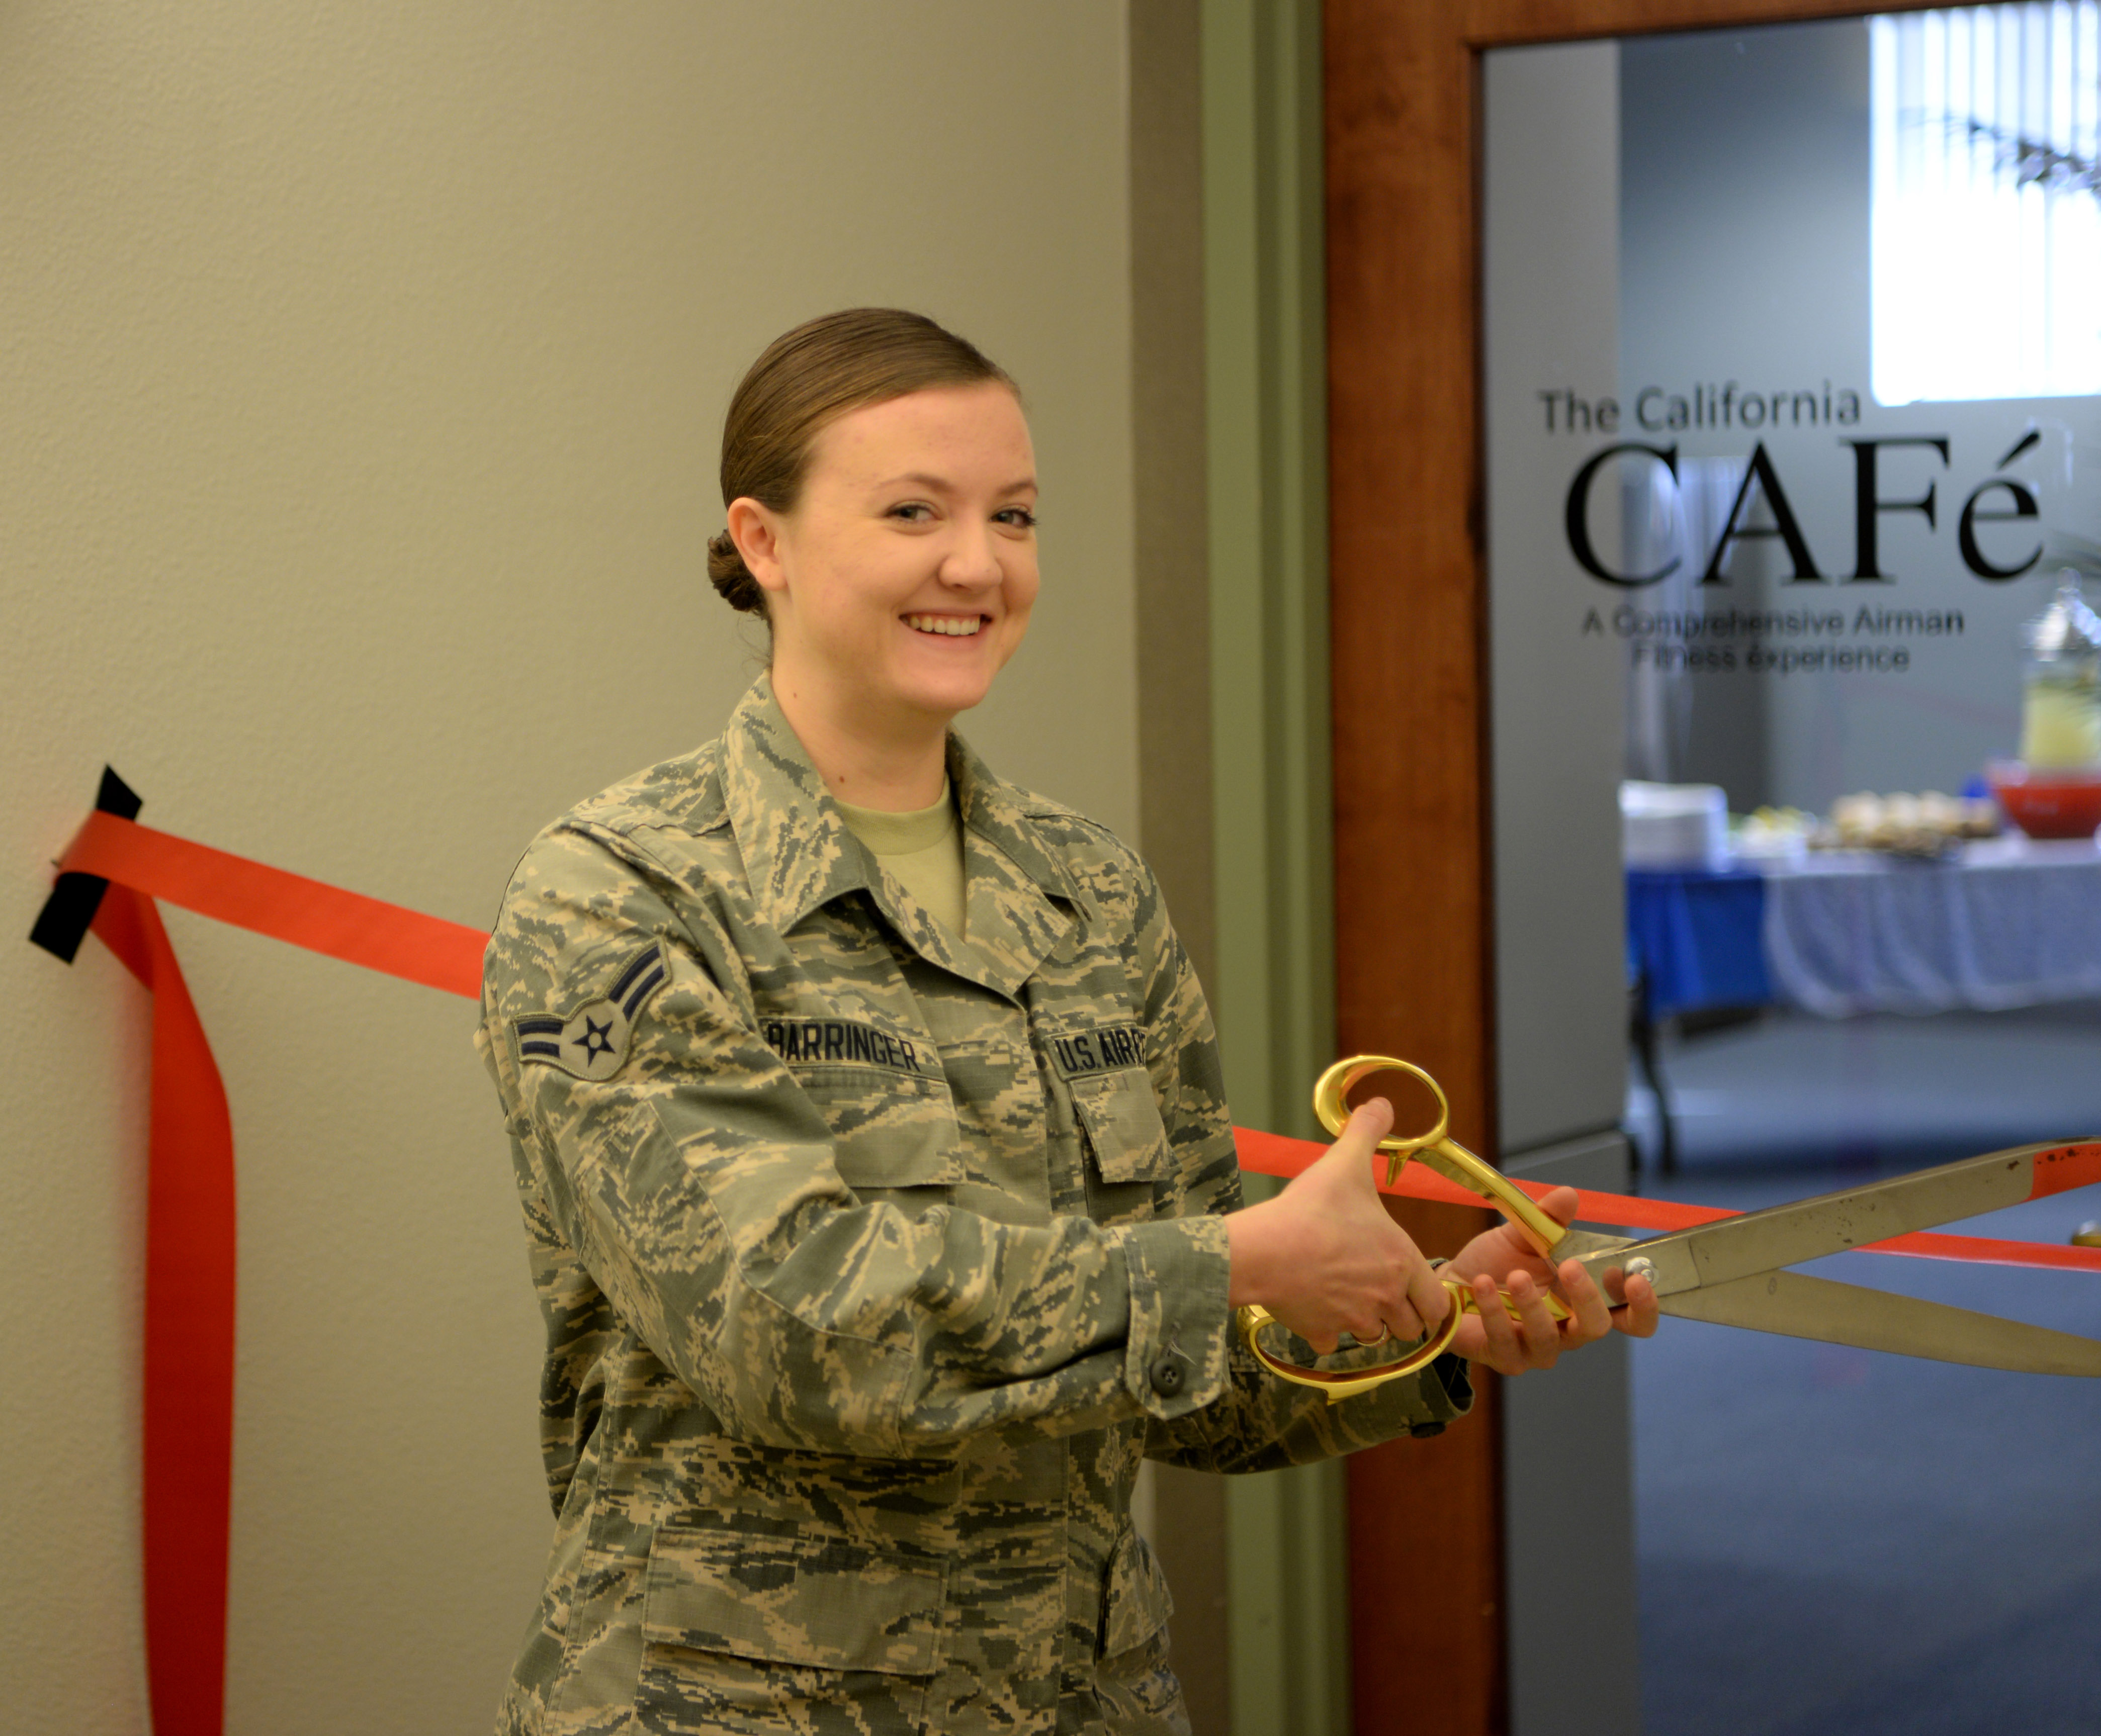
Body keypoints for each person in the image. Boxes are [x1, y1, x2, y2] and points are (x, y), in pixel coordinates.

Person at [477, 307, 1657, 1735]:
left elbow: (1193, 1378)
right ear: (763, 541)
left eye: (1015, 515)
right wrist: (1242, 1259)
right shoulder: (619, 892)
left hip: (1080, 1699)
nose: (978, 564)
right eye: (914, 511)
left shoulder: (1088, 890)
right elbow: (793, 1331)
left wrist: (1429, 1321)